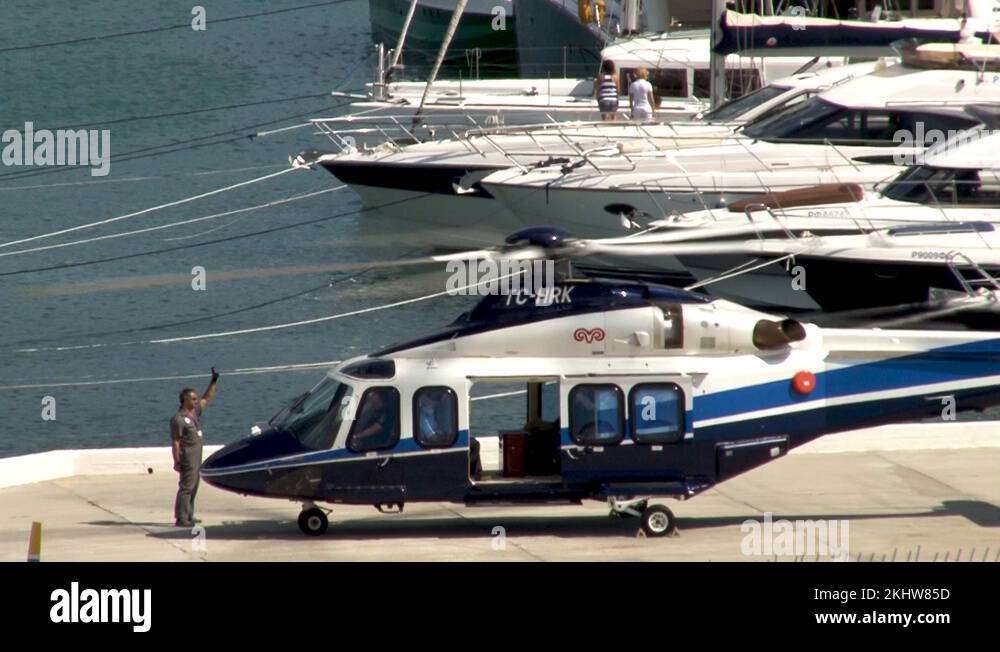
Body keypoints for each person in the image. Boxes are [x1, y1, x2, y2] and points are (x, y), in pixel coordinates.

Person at [170, 368, 219, 527]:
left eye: (196, 398)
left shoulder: (194, 413)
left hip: (196, 457)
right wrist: (177, 461)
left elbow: (206, 399)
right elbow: (176, 442)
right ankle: (181, 518)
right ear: (185, 401)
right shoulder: (178, 419)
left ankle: (189, 514)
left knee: (194, 485)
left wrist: (213, 382)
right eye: (193, 399)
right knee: (186, 487)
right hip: (187, 457)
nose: (197, 401)